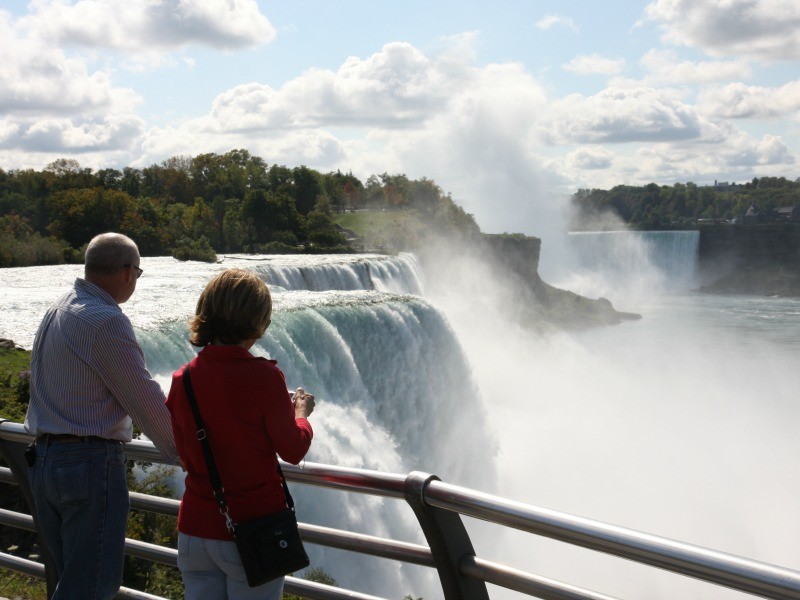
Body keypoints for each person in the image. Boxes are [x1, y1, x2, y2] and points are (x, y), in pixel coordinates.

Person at [24, 232, 179, 600]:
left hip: (44, 461)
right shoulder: (105, 320)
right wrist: (187, 452)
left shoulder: (57, 309)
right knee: (93, 587)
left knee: (70, 582)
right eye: (138, 274)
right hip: (87, 466)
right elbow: (145, 400)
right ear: (127, 272)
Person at [165, 268, 315, 600]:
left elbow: (187, 455)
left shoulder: (183, 379)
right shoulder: (265, 377)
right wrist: (301, 414)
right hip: (254, 532)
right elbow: (293, 449)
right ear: (256, 322)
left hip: (195, 531)